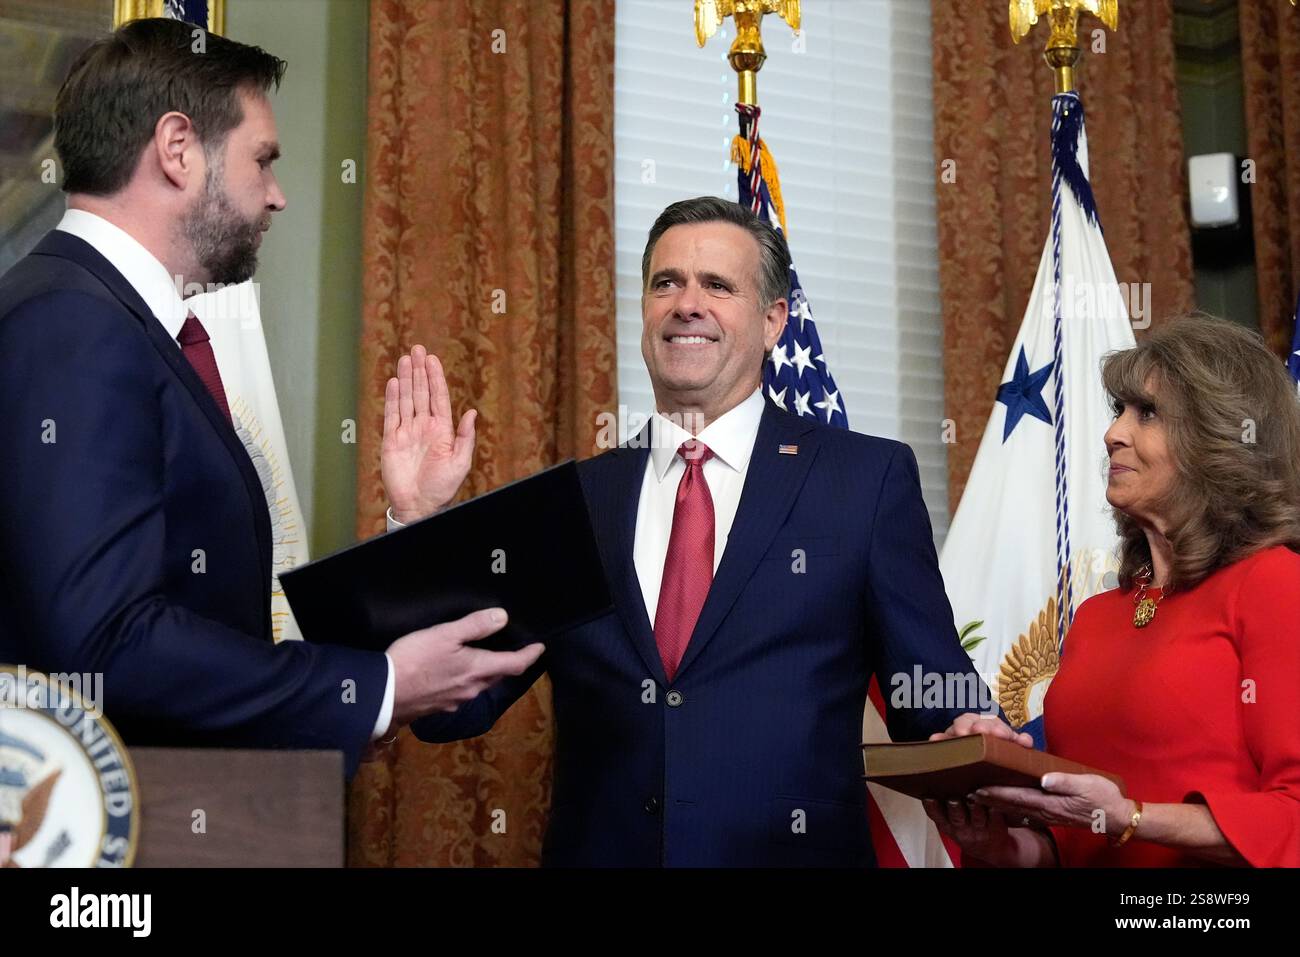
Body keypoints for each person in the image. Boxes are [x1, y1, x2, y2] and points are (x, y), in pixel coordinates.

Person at [388, 196, 1017, 866]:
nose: (688, 304)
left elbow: (930, 685)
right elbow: (451, 707)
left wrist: (966, 723)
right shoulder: (574, 500)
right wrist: (417, 524)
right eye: (667, 283)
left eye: (718, 285)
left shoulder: (863, 481)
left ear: (774, 319)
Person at [0, 18, 542, 776]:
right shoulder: (74, 323)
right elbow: (106, 642)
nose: (278, 196)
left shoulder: (101, 315)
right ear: (178, 149)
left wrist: (411, 527)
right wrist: (379, 686)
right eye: (263, 160)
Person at [926, 316, 1300, 867]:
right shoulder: (1097, 616)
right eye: (1118, 410)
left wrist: (1133, 817)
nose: (1113, 433)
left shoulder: (1273, 583)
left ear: (1218, 436)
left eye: (1146, 413)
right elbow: (1078, 840)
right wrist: (999, 843)